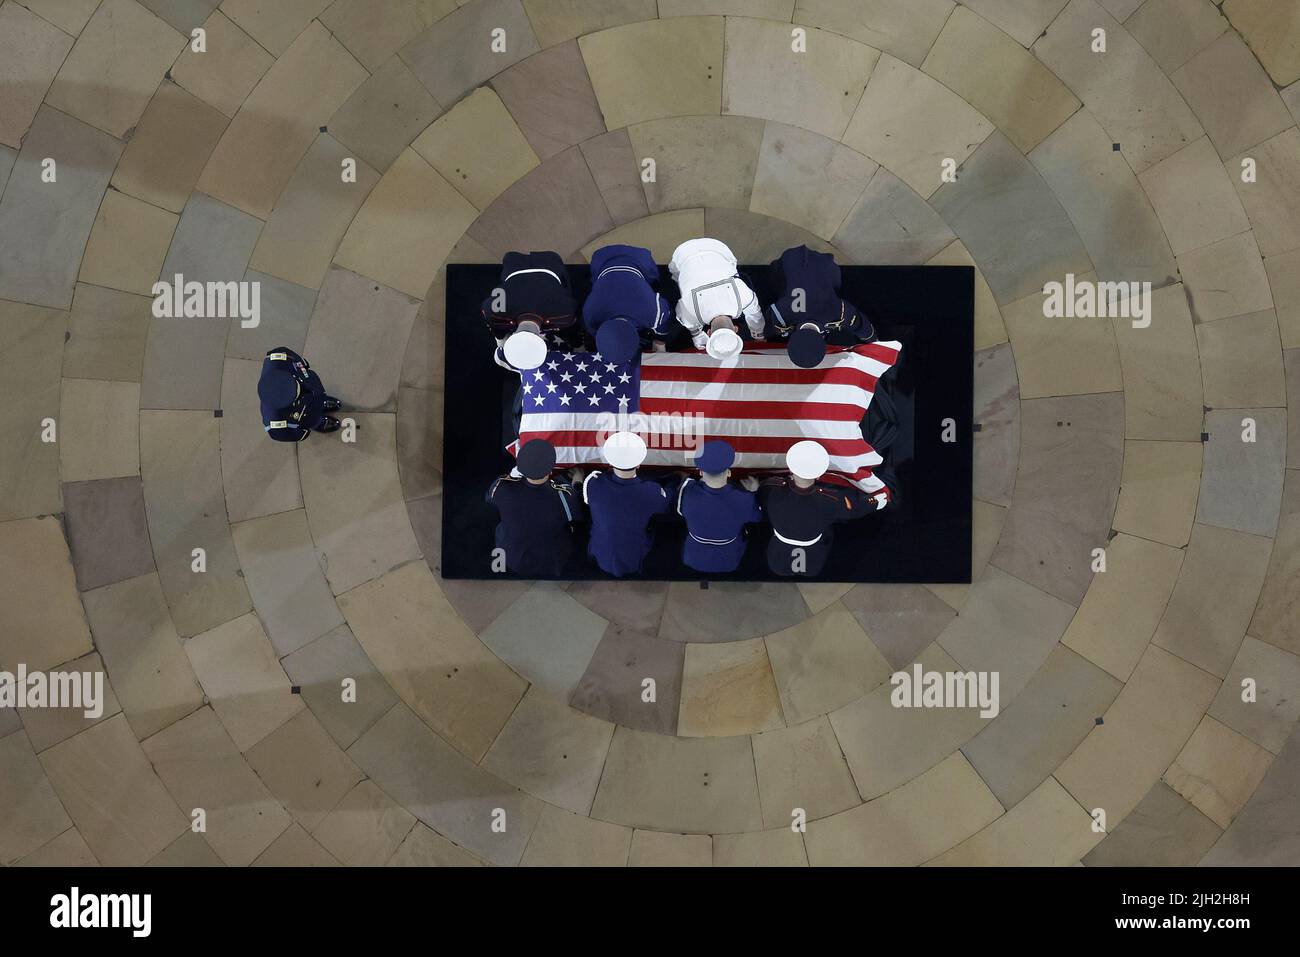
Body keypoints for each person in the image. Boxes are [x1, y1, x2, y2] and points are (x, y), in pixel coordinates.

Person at [759, 440, 884, 577]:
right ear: (819, 475)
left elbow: (760, 497)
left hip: (778, 555)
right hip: (813, 557)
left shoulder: (771, 489)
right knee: (812, 569)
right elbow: (854, 509)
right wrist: (875, 502)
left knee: (779, 568)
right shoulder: (831, 500)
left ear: (790, 469)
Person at [485, 439, 584, 576]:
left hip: (512, 557)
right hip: (552, 561)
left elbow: (489, 499)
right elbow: (577, 514)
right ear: (550, 470)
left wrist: (513, 477)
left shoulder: (502, 488)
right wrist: (578, 482)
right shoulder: (564, 496)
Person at [767, 244, 875, 368]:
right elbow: (859, 324)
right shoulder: (781, 313)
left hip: (824, 265)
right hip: (789, 262)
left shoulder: (837, 311)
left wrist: (872, 339)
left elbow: (860, 324)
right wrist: (872, 342)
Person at [583, 431, 673, 576]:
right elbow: (666, 502)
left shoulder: (593, 483)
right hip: (635, 558)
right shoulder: (652, 491)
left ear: (610, 463)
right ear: (638, 464)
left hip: (599, 553)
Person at [668, 238, 765, 359]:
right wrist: (696, 334)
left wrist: (759, 336)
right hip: (682, 254)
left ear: (735, 329)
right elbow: (682, 314)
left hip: (717, 248)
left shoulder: (744, 298)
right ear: (708, 333)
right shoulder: (690, 316)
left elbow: (756, 315)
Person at [480, 250, 577, 371]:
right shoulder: (494, 311)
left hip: (548, 264)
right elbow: (492, 303)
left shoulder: (564, 312)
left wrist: (500, 341)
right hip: (515, 266)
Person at [676, 440, 761, 574]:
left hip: (692, 557)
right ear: (729, 473)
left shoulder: (688, 492)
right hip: (729, 559)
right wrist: (754, 491)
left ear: (701, 472)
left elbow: (681, 510)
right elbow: (757, 517)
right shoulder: (745, 499)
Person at [582, 244, 673, 363]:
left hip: (636, 261)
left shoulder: (653, 312)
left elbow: (664, 320)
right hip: (603, 260)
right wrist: (659, 343)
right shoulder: (590, 313)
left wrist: (659, 341)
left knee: (655, 283)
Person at [257, 346, 341, 441]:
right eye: (297, 393)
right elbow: (296, 435)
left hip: (309, 381)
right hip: (302, 412)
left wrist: (302, 366)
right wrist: (305, 431)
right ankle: (318, 422)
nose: (302, 389)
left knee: (317, 392)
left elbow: (295, 358)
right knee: (311, 418)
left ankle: (322, 401)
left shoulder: (276, 359)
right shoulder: (275, 424)